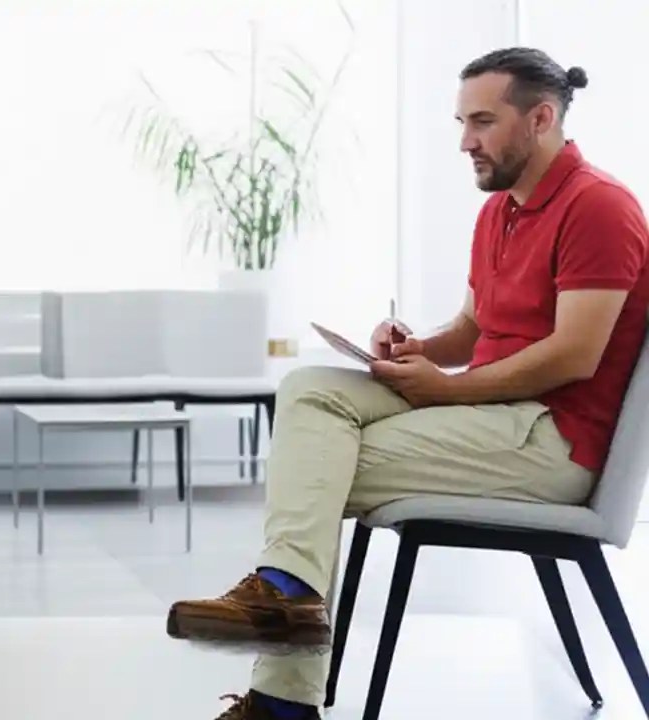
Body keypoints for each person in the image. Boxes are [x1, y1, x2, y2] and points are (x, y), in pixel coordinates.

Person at [167, 47, 649, 720]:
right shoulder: (500, 212)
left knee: (317, 471)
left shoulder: (600, 208)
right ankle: (285, 599)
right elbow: (476, 329)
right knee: (309, 389)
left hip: (549, 442)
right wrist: (419, 349)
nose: (464, 142)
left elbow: (574, 355)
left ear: (541, 118)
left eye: (482, 122)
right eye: (460, 122)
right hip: (495, 414)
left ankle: (281, 693)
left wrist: (444, 390)